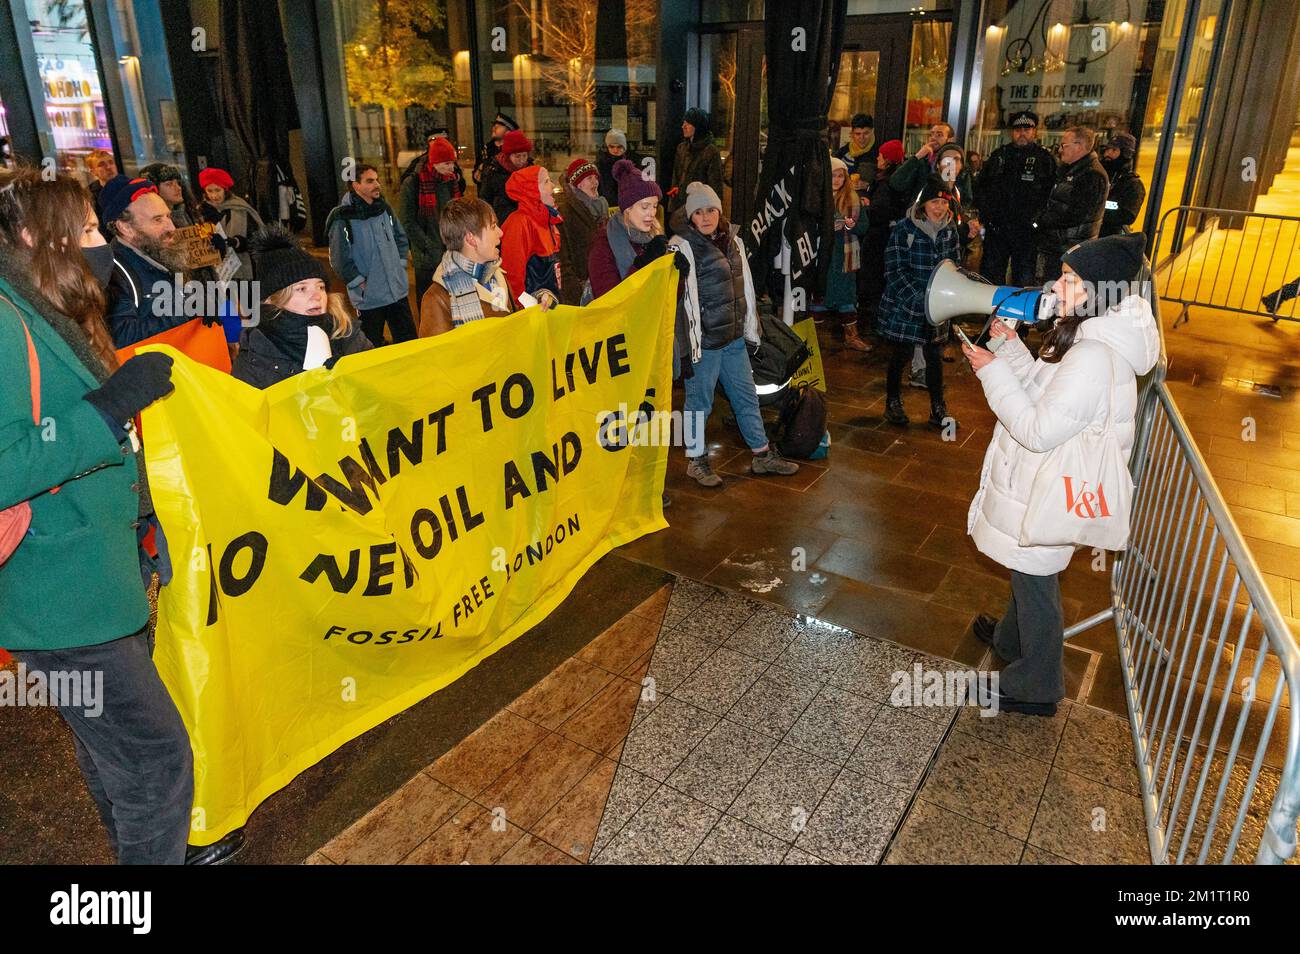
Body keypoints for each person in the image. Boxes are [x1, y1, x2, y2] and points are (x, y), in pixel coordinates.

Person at [0, 167, 195, 864]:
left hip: (98, 579)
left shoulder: (51, 305)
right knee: (157, 762)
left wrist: (142, 530)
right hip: (57, 599)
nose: (97, 243)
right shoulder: (4, 319)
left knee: (116, 754)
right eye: (83, 230)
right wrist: (107, 409)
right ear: (31, 235)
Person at [962, 232, 1158, 716]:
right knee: (1026, 563)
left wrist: (990, 371)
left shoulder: (1093, 355)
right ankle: (1012, 637)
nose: (1058, 284)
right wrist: (1008, 352)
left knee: (1036, 576)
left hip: (1049, 481)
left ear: (1098, 290)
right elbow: (1044, 389)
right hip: (1045, 476)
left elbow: (1037, 427)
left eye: (1070, 278)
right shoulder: (1088, 335)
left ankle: (1036, 684)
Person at [669, 182, 799, 485]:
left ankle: (762, 454)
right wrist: (688, 346)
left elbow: (747, 288)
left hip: (733, 339)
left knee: (745, 396)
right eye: (698, 212)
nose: (705, 217)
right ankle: (696, 460)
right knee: (699, 403)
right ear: (690, 216)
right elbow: (678, 298)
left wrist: (751, 327)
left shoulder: (733, 241)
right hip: (704, 344)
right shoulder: (681, 246)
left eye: (711, 210)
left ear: (719, 211)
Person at [232, 227, 372, 388]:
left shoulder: (346, 333)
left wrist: (346, 378)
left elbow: (379, 388)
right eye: (301, 289)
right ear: (273, 300)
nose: (317, 296)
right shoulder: (255, 355)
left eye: (320, 287)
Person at [878, 175, 961, 429]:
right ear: (923, 203)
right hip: (906, 303)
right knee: (900, 354)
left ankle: (938, 407)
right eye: (934, 201)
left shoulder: (949, 230)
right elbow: (894, 268)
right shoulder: (905, 229)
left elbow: (954, 265)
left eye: (944, 203)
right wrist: (916, 297)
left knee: (934, 355)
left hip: (936, 306)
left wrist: (948, 296)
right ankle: (893, 401)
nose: (939, 207)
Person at [326, 163, 416, 347]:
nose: (377, 185)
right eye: (370, 181)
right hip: (369, 297)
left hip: (396, 290)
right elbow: (339, 258)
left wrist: (399, 264)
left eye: (377, 180)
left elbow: (400, 236)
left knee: (409, 343)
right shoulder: (342, 217)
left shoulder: (383, 208)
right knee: (371, 348)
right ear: (356, 185)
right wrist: (359, 282)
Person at [101, 175, 194, 347]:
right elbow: (122, 338)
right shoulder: (113, 273)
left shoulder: (157, 252)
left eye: (168, 216)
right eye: (158, 220)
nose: (171, 227)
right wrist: (186, 309)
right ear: (126, 228)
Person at [976, 110, 1056, 287]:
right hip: (998, 229)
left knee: (1024, 279)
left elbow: (1051, 195)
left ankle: (1019, 314)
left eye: (1027, 129)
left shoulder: (1044, 159)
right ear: (1012, 132)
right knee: (991, 277)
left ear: (1034, 132)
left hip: (1027, 232)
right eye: (1018, 129)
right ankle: (991, 313)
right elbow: (982, 188)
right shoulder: (999, 156)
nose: (1022, 133)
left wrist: (1038, 222)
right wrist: (986, 218)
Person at [419, 197, 515, 336]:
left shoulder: (497, 276)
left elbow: (515, 320)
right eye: (493, 226)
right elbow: (437, 355)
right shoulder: (438, 298)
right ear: (471, 238)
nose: (500, 233)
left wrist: (538, 302)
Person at [588, 158, 672, 300]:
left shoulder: (654, 237)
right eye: (645, 206)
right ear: (627, 208)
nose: (652, 213)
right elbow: (609, 301)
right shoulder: (604, 247)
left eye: (655, 206)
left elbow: (667, 298)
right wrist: (642, 264)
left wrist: (678, 275)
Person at [1034, 126, 1109, 283]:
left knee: (1060, 296)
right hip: (1059, 247)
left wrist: (1041, 220)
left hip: (1071, 251)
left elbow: (1076, 214)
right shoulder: (1070, 170)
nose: (1060, 149)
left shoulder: (1092, 175)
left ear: (1079, 146)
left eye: (1064, 145)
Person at [399, 136, 465, 305]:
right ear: (434, 162)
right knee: (429, 302)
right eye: (446, 164)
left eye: (452, 163)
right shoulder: (413, 183)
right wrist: (428, 246)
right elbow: (407, 221)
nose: (451, 168)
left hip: (452, 252)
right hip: (427, 257)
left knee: (453, 302)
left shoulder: (451, 182)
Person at [815, 156, 872, 352]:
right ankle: (813, 340)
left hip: (844, 256)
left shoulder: (853, 199)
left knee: (847, 296)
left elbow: (864, 226)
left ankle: (852, 337)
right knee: (820, 295)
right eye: (833, 176)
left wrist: (851, 225)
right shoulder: (816, 197)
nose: (837, 180)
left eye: (840, 176)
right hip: (822, 255)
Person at [858, 139, 908, 329]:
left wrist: (866, 207)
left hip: (878, 237)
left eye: (881, 155)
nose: (877, 157)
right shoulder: (891, 180)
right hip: (884, 235)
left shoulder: (886, 183)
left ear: (887, 159)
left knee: (874, 279)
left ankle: (875, 322)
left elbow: (880, 210)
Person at [500, 165, 562, 309]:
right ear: (532, 190)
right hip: (534, 313)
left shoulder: (548, 220)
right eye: (546, 182)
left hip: (549, 307)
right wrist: (524, 312)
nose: (552, 186)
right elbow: (512, 279)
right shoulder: (519, 224)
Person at [199, 166, 264, 281]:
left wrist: (237, 242)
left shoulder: (240, 208)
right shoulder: (202, 211)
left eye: (218, 190)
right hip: (216, 272)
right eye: (210, 191)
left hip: (243, 269)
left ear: (225, 189)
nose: (214, 196)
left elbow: (257, 239)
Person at [556, 158, 607, 305]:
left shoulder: (601, 206)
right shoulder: (566, 211)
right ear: (578, 183)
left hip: (598, 281)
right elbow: (564, 256)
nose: (595, 182)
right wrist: (574, 291)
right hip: (581, 287)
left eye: (596, 178)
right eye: (589, 178)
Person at [667, 108, 724, 228]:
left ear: (698, 126)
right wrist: (673, 202)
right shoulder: (682, 148)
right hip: (681, 208)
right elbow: (676, 178)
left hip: (700, 209)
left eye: (688, 123)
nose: (683, 126)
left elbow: (715, 186)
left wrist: (713, 212)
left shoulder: (710, 151)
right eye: (684, 123)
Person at [478, 130, 534, 225]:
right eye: (517, 156)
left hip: (527, 221)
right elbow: (485, 199)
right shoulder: (494, 172)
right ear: (508, 156)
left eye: (524, 156)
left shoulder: (531, 170)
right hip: (503, 222)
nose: (521, 160)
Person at [1099, 132, 1145, 238]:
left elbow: (1128, 216)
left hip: (1109, 238)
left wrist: (1097, 212)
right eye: (1107, 149)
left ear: (1126, 154)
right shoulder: (1099, 175)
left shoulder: (1133, 185)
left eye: (1114, 150)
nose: (1107, 154)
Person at [138, 162, 201, 228]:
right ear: (154, 189)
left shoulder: (188, 211)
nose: (178, 188)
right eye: (169, 184)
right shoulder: (150, 223)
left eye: (178, 183)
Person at [596, 129, 646, 210]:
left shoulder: (634, 162)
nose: (615, 150)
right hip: (609, 205)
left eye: (619, 146)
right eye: (611, 147)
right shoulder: (602, 164)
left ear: (624, 147)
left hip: (630, 204)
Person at [833, 113, 878, 202]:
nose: (862, 138)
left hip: (864, 202)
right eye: (858, 134)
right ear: (852, 133)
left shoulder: (878, 154)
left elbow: (883, 181)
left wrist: (868, 186)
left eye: (866, 133)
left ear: (872, 131)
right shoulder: (844, 151)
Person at [472, 112, 518, 187]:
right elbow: (476, 178)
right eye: (494, 125)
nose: (494, 128)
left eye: (499, 126)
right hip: (487, 194)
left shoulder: (514, 150)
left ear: (508, 131)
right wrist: (479, 171)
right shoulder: (486, 149)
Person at [84, 148, 117, 231]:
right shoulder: (88, 195)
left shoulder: (130, 186)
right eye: (101, 164)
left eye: (111, 162)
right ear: (93, 172)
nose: (109, 167)